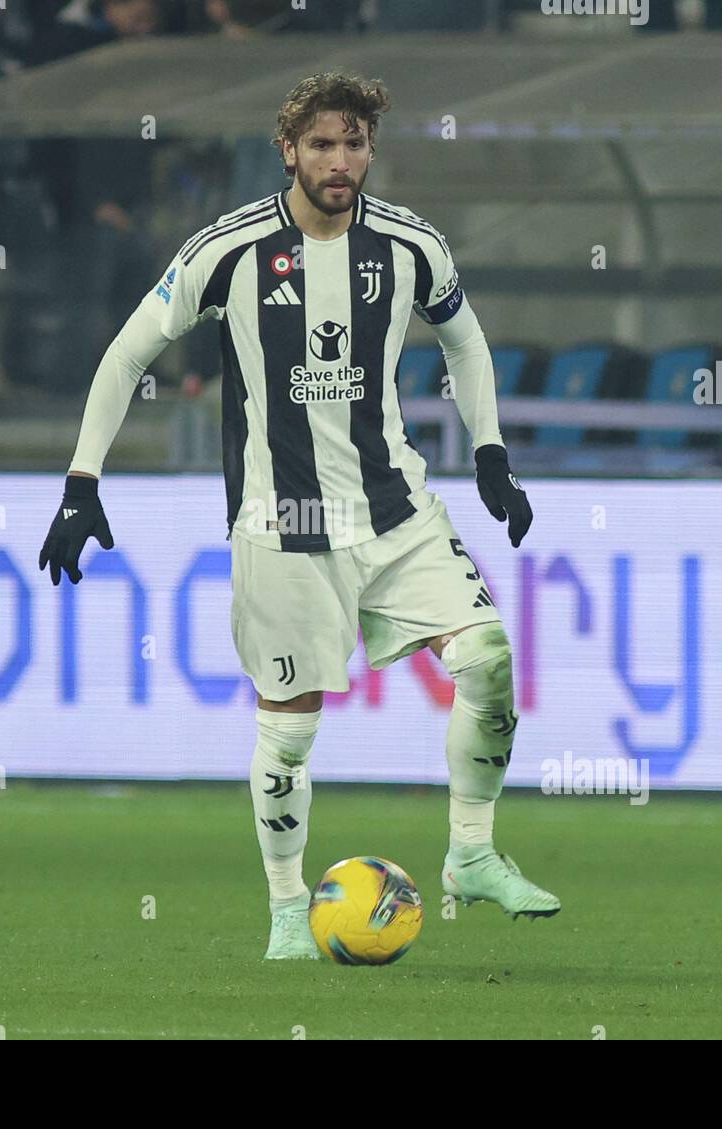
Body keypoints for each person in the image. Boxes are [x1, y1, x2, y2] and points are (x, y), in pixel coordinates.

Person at [38, 72, 560, 959]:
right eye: (322, 144)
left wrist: (490, 452)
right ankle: (288, 910)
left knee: (489, 659)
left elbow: (465, 341)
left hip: (395, 510)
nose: (340, 160)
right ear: (289, 150)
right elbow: (128, 353)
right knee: (289, 729)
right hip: (280, 526)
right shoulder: (229, 250)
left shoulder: (410, 246)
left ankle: (471, 851)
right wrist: (82, 483)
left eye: (354, 143)